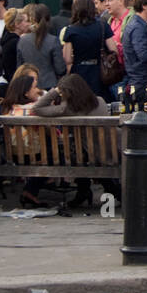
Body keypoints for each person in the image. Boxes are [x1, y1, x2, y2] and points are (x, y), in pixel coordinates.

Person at [29, 73, 112, 207]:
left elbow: (36, 108)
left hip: (89, 156)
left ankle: (84, 192)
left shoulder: (67, 109)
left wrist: (55, 90)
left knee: (72, 154)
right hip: (110, 151)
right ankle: (93, 192)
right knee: (80, 154)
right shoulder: (100, 101)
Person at [62, 0, 118, 99]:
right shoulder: (103, 26)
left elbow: (67, 58)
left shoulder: (70, 30)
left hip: (79, 71)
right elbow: (114, 50)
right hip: (100, 71)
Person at [18, 4, 68, 90]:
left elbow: (19, 66)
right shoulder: (53, 40)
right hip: (49, 85)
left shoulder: (22, 40)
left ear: (32, 20)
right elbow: (60, 68)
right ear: (49, 19)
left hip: (28, 86)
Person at [0, 7, 28, 79]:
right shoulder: (16, 43)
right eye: (26, 21)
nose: (28, 24)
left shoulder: (7, 40)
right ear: (17, 24)